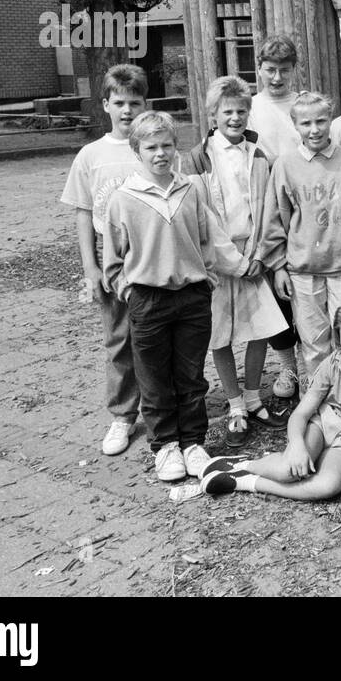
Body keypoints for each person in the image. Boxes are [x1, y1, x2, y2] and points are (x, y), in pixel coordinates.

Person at [102, 111, 238, 482]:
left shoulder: (190, 191)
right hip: (148, 300)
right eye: (151, 147)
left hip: (192, 297)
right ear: (138, 151)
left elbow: (207, 239)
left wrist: (207, 277)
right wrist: (129, 291)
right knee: (154, 377)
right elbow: (113, 260)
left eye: (166, 145)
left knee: (190, 375)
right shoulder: (124, 199)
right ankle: (165, 446)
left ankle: (193, 442)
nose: (160, 153)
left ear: (175, 149)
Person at [200, 302, 341, 500]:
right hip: (322, 426)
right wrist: (297, 446)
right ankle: (245, 463)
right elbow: (301, 414)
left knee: (327, 487)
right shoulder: (333, 363)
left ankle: (244, 480)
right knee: (289, 471)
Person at [186, 76, 289, 448]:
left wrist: (259, 254)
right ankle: (234, 406)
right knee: (222, 333)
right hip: (220, 259)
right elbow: (203, 216)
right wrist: (232, 261)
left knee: (260, 327)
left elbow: (269, 209)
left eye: (241, 111)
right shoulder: (199, 157)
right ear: (213, 115)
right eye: (227, 111)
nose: (235, 117)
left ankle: (252, 396)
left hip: (254, 253)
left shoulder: (259, 155)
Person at [259, 92, 341, 395]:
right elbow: (273, 219)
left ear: (331, 121)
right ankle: (317, 399)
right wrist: (278, 267)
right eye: (306, 123)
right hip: (303, 270)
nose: (314, 129)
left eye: (321, 121)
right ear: (296, 126)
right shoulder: (285, 165)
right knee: (314, 341)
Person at [61, 63, 154, 456]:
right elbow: (83, 212)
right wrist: (90, 269)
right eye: (119, 103)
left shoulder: (154, 146)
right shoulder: (91, 155)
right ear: (106, 105)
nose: (127, 111)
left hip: (150, 254)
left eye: (135, 102)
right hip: (111, 258)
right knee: (119, 338)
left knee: (156, 336)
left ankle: (161, 407)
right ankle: (122, 414)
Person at [246, 35, 304, 397]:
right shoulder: (250, 108)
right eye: (270, 70)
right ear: (260, 69)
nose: (277, 78)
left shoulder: (304, 104)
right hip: (266, 206)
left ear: (294, 70)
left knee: (308, 287)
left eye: (284, 70)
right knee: (275, 291)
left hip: (304, 204)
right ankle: (288, 368)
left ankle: (321, 363)